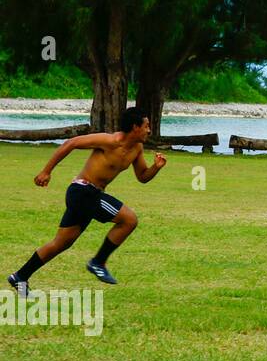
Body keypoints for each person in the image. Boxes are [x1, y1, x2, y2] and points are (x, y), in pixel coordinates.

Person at [7, 107, 166, 298]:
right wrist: (46, 171)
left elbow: (142, 176)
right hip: (83, 191)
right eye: (147, 126)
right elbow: (71, 143)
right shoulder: (110, 141)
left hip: (90, 195)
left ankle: (20, 276)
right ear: (135, 127)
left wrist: (156, 168)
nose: (150, 130)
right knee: (129, 219)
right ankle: (98, 262)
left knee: (61, 243)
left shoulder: (137, 149)